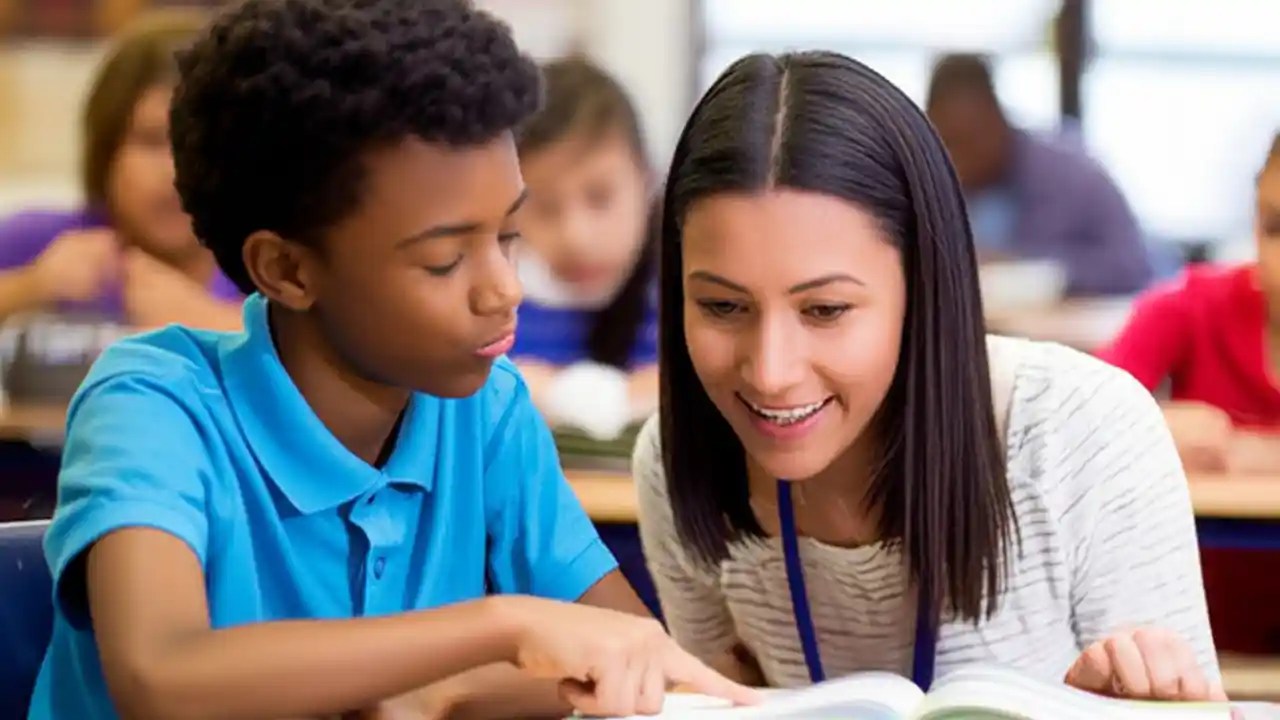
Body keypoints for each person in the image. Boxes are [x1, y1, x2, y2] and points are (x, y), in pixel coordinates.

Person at [26, 2, 758, 719]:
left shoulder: (488, 408)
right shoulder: (153, 402)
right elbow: (162, 678)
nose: (504, 289)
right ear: (287, 269)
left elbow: (630, 657)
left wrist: (443, 691)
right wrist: (499, 627)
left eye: (508, 236)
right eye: (444, 260)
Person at [634, 50, 1223, 700]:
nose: (771, 373)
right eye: (722, 307)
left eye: (826, 310)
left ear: (923, 289)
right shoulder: (675, 459)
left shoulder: (1084, 434)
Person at [1099, 132, 1280, 656]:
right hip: (1193, 648)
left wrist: (1243, 451)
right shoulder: (1194, 306)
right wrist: (1147, 424)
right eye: (1275, 228)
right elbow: (1076, 413)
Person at [0, 10, 242, 330]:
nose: (175, 172)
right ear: (106, 150)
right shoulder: (36, 241)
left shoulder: (273, 267)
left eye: (200, 144)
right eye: (151, 141)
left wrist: (207, 320)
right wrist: (30, 287)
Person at [511, 56, 658, 441]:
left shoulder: (686, 291)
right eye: (544, 207)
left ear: (647, 180)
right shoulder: (504, 300)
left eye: (599, 197)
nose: (576, 237)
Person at [925, 53, 1151, 297]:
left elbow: (1134, 266)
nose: (958, 160)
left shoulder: (1073, 175)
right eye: (945, 143)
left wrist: (1035, 273)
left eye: (968, 141)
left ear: (997, 120)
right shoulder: (928, 180)